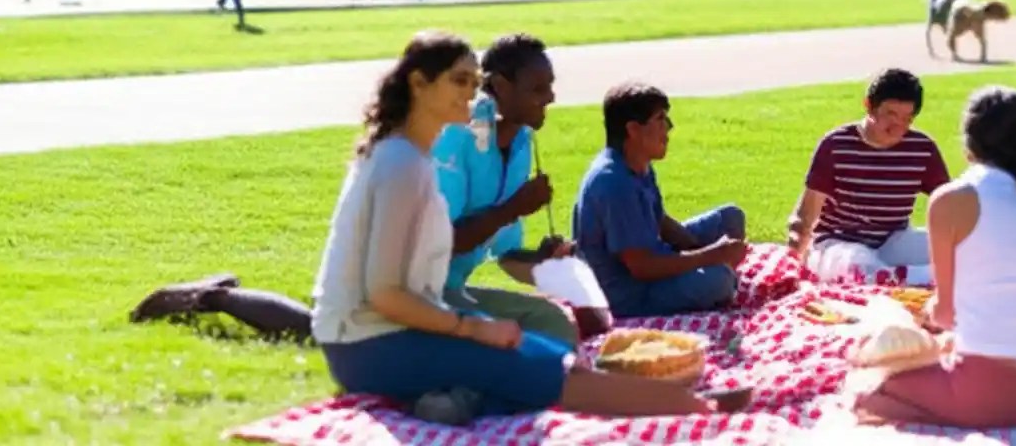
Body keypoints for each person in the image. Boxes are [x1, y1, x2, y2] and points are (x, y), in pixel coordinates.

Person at [311, 32, 743, 424]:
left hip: (413, 316)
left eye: (472, 79)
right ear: (419, 86)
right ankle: (695, 408)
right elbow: (386, 294)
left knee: (552, 341)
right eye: (460, 81)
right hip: (372, 338)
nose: (472, 92)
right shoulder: (404, 163)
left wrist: (546, 261)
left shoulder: (425, 157)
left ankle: (689, 404)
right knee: (537, 366)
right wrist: (472, 327)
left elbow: (501, 252)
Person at [854, 86, 1016, 429]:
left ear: (970, 144)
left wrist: (920, 328)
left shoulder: (951, 200)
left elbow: (946, 314)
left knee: (870, 391)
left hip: (988, 391)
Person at [433, 34, 581, 348]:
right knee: (497, 340)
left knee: (555, 323)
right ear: (500, 86)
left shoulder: (522, 141)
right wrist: (513, 208)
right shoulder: (457, 134)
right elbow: (443, 242)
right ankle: (454, 393)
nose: (551, 97)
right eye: (538, 89)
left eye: (550, 86)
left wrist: (544, 258)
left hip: (452, 291)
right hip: (415, 294)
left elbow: (505, 255)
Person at [572, 82, 748, 318]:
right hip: (625, 295)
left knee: (731, 217)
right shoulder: (613, 182)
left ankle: (714, 274)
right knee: (720, 280)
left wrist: (700, 249)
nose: (669, 127)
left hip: (652, 260)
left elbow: (660, 221)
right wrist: (710, 257)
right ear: (633, 129)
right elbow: (642, 267)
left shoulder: (638, 163)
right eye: (660, 119)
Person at [788, 69, 950, 285]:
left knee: (961, 251)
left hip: (893, 241)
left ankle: (902, 277)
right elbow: (805, 215)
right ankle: (919, 277)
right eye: (891, 115)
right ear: (868, 105)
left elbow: (950, 202)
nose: (897, 128)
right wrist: (792, 264)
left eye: (907, 119)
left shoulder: (922, 148)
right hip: (838, 244)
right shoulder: (836, 145)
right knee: (857, 266)